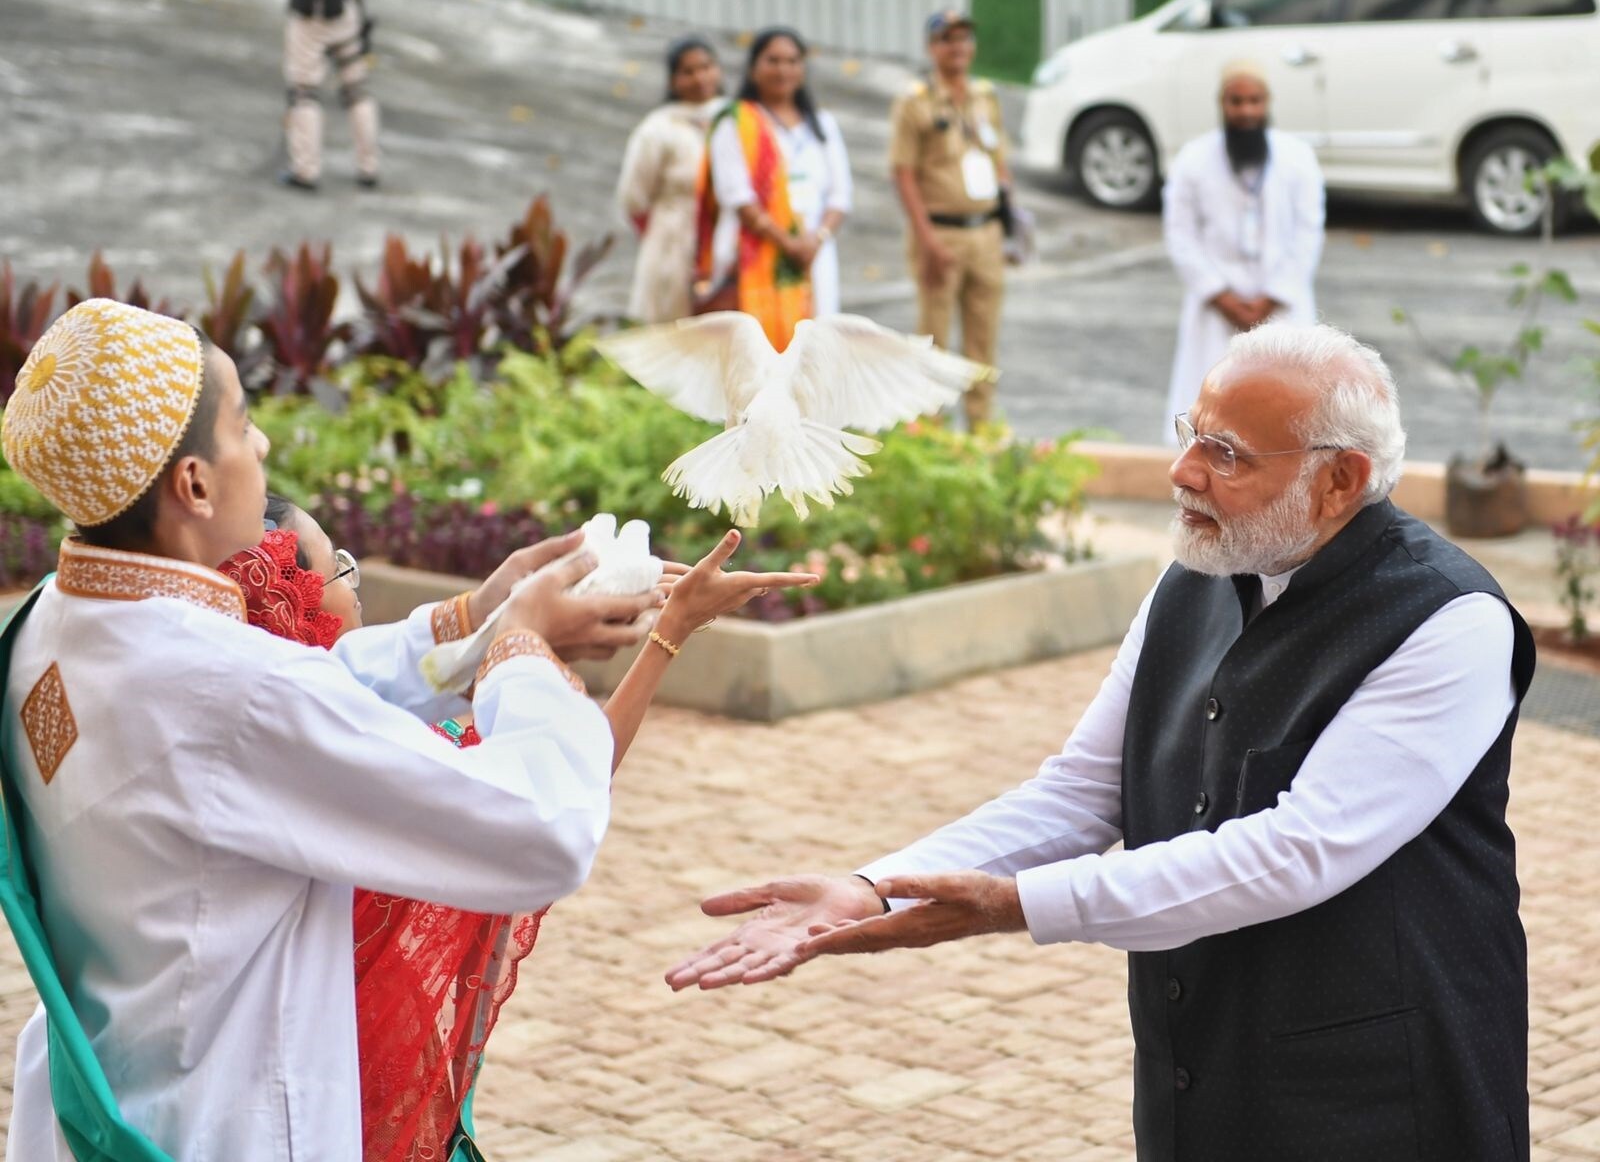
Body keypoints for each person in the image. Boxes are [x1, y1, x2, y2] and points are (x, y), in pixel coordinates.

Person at [668, 323, 1538, 1161]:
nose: (1182, 471)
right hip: (1202, 1080)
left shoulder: (1447, 621)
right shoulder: (1197, 575)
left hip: (1382, 1098)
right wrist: (877, 887)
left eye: (1225, 453)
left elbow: (1300, 851)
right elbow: (1082, 790)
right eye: (1190, 435)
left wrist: (1017, 905)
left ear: (1341, 480)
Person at [0, 297, 657, 1160]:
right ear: (193, 483)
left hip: (119, 1099)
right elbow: (539, 832)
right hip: (227, 1123)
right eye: (243, 426)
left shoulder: (53, 621)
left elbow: (284, 708)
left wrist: (471, 621)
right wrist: (527, 656)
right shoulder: (225, 690)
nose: (263, 448)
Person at [210, 495, 809, 1162]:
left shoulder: (260, 724)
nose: (356, 584)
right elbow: (549, 805)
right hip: (336, 1067)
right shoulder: (363, 752)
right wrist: (539, 643)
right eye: (340, 569)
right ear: (291, 605)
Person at [1162, 61, 1324, 441]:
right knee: (1206, 417)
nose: (1246, 111)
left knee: (1288, 415)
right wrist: (1222, 297)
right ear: (1222, 103)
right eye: (1237, 101)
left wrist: (1271, 298)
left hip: (1283, 309)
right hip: (1215, 309)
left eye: (1254, 101)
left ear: (1267, 103)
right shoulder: (1193, 159)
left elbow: (1308, 234)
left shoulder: (1298, 158)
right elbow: (1180, 235)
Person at [698, 27, 853, 348]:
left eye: (793, 61)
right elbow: (737, 197)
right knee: (757, 351)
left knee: (815, 347)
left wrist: (816, 239)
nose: (783, 69)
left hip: (815, 253)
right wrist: (788, 243)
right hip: (757, 251)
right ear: (754, 68)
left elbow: (840, 195)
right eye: (773, 60)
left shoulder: (822, 124)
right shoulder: (735, 122)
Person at [889, 10, 1008, 428]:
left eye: (963, 38)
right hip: (940, 233)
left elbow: (998, 160)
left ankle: (981, 430)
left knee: (983, 339)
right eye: (946, 39)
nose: (957, 47)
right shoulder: (915, 100)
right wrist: (927, 241)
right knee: (934, 343)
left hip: (985, 232)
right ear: (931, 47)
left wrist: (1007, 227)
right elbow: (903, 173)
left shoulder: (983, 96)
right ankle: (932, 433)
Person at [616, 37, 727, 323]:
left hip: (729, 241)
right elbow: (633, 199)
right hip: (674, 241)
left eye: (706, 67)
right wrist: (664, 242)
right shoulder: (658, 129)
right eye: (688, 71)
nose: (700, 77)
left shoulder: (737, 120)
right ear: (673, 80)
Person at [281, 0, 380, 191]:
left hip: (310, 10)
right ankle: (369, 167)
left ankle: (305, 170)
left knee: (303, 92)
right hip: (345, 9)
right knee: (356, 90)